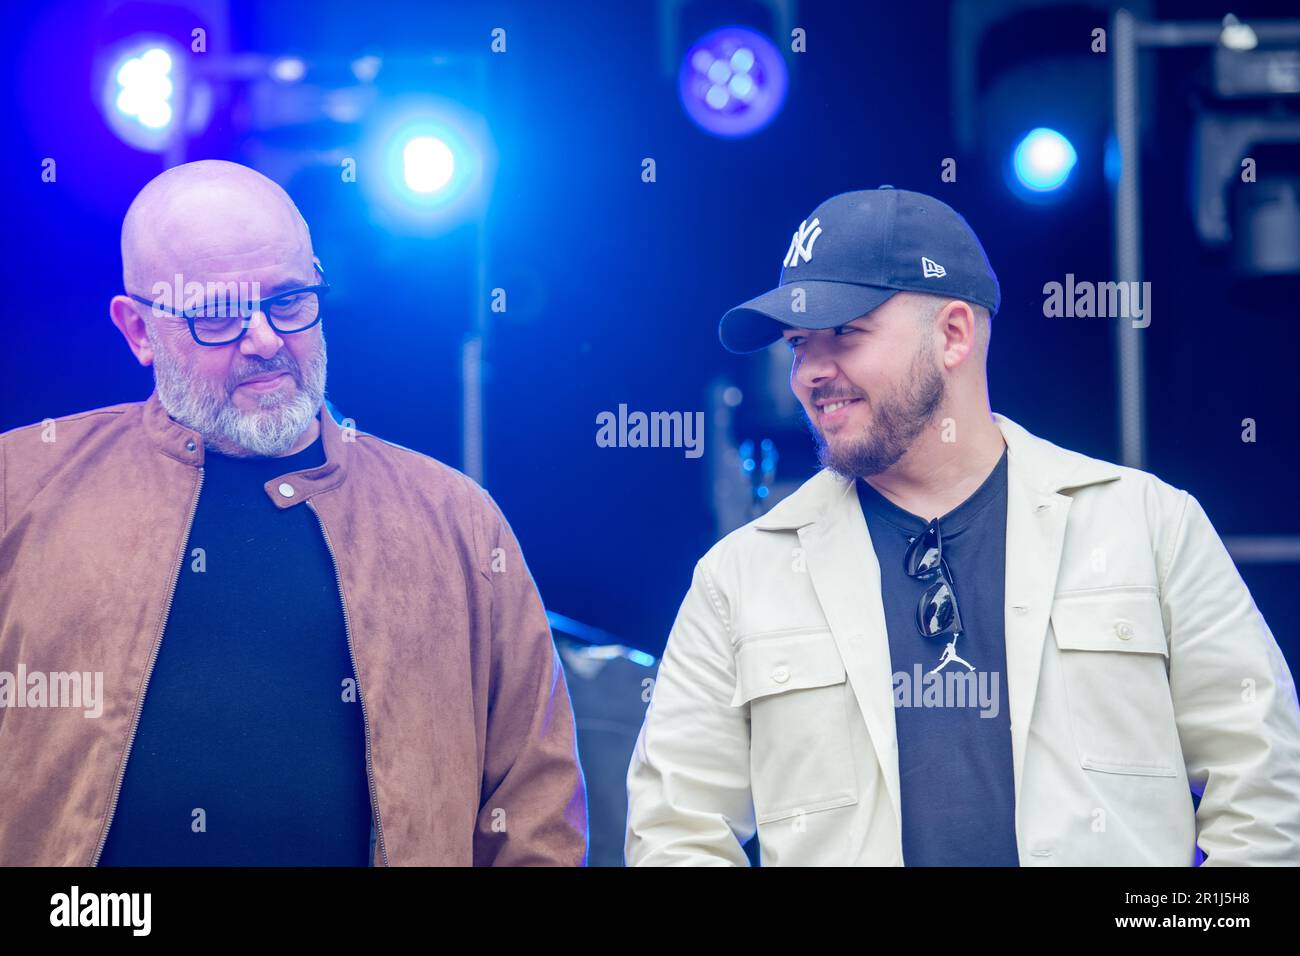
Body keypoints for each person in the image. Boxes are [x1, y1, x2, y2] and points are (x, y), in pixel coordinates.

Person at [625, 186, 1300, 866]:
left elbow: (1267, 790)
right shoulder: (740, 577)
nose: (811, 373)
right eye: (800, 344)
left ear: (953, 334)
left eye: (844, 335)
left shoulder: (1148, 525)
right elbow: (675, 833)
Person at [0, 159, 587, 866]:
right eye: (218, 314)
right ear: (138, 330)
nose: (266, 340)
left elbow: (534, 807)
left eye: (288, 300)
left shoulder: (455, 520)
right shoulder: (19, 486)